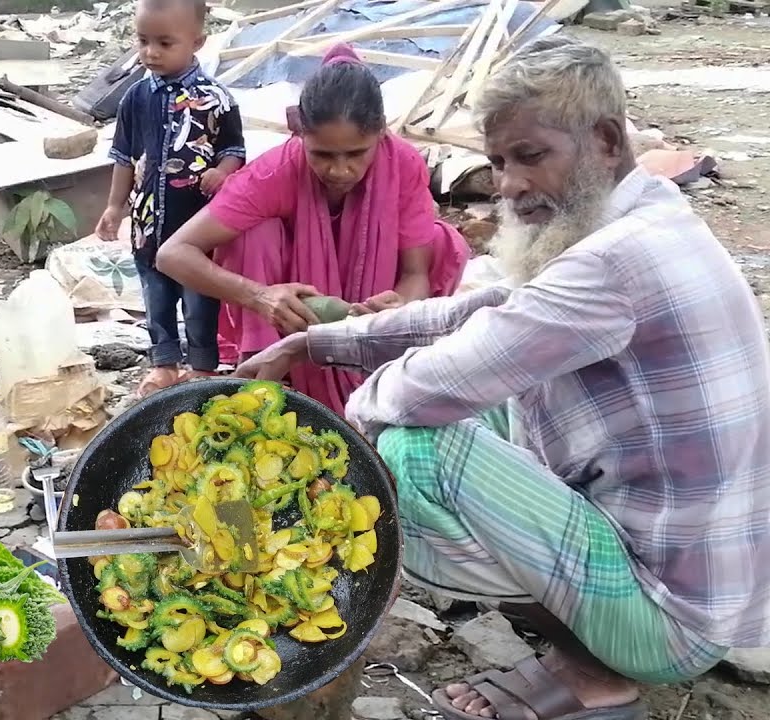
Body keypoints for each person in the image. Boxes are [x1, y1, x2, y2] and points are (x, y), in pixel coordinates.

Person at [236, 37, 770, 720]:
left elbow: (432, 384)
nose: (509, 184)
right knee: (480, 414)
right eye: (497, 162)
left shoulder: (616, 262)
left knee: (414, 451)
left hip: (673, 622)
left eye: (530, 156)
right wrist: (318, 342)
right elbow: (480, 312)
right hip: (683, 571)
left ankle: (595, 668)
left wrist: (332, 453)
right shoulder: (640, 216)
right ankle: (586, 647)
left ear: (606, 141)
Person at [155, 43, 469, 416]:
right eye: (322, 155)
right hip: (290, 311)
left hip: (368, 312)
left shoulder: (403, 164)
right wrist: (259, 296)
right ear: (300, 134)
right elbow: (171, 253)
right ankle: (265, 365)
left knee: (445, 242)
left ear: (381, 133)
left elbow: (416, 273)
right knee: (254, 233)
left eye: (356, 154)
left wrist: (399, 307)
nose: (340, 171)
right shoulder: (275, 172)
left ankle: (378, 357)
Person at [95, 0, 245, 396]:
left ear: (197, 42)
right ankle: (163, 364)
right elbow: (124, 157)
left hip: (197, 229)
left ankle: (201, 366)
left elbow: (234, 149)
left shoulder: (217, 98)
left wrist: (222, 171)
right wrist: (114, 206)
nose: (150, 52)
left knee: (199, 301)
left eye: (164, 42)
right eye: (143, 41)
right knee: (155, 298)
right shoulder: (135, 98)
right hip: (148, 224)